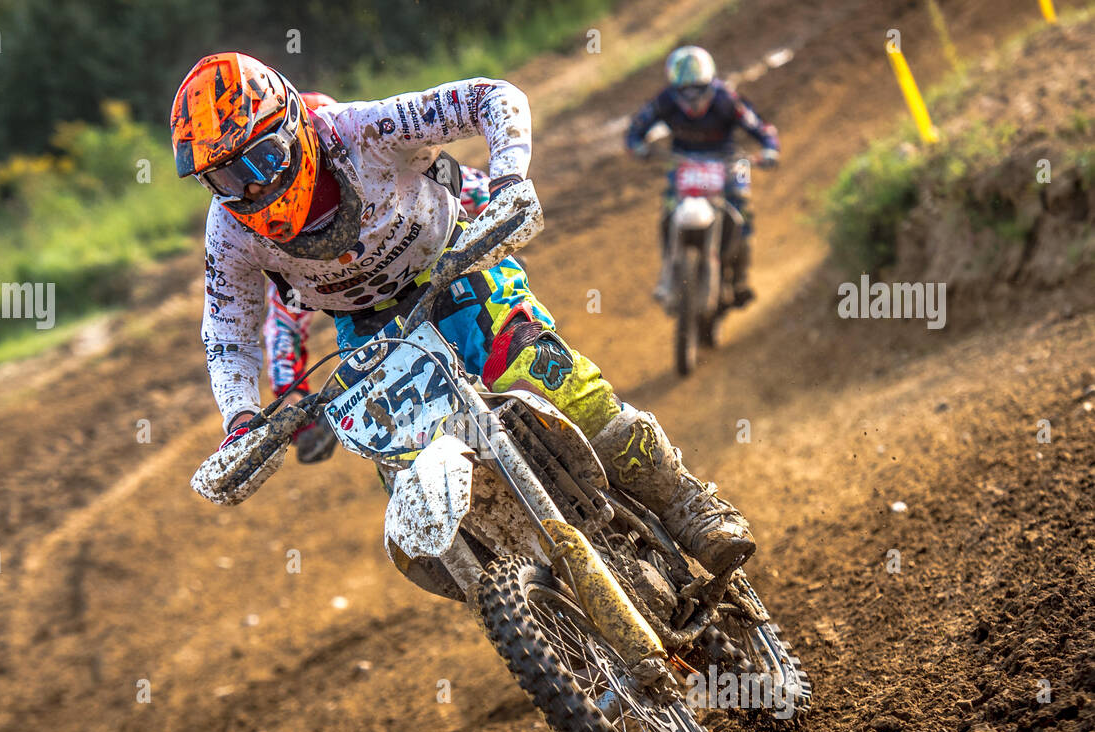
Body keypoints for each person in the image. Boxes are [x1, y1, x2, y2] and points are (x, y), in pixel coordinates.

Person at [172, 52, 755, 576]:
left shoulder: (359, 130)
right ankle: (530, 606)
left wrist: (508, 182)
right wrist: (241, 423)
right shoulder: (230, 230)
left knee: (550, 378)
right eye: (224, 177)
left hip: (457, 269)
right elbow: (228, 330)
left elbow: (492, 97)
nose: (250, 189)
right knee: (409, 485)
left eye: (262, 160)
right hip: (368, 332)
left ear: (293, 125)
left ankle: (684, 501)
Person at [263, 91, 495, 464]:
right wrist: (298, 410)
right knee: (408, 461)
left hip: (450, 281)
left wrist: (498, 235)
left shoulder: (385, 155)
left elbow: (469, 185)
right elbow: (281, 328)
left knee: (520, 364)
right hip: (376, 329)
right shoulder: (291, 242)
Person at [625, 45, 780, 306]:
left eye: (697, 87)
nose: (692, 95)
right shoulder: (664, 101)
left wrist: (769, 149)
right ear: (674, 86)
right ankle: (668, 274)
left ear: (709, 80)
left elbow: (759, 126)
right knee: (668, 212)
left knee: (742, 212)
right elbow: (636, 127)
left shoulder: (726, 99)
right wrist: (637, 145)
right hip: (683, 164)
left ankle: (740, 278)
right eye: (685, 89)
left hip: (727, 162)